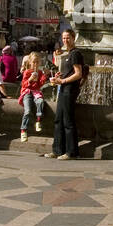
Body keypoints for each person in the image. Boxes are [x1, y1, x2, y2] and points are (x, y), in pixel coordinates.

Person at [45, 28, 84, 160]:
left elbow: (79, 74)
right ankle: (57, 150)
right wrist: (59, 76)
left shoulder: (75, 54)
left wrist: (63, 80)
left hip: (69, 90)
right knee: (58, 120)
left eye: (68, 38)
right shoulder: (69, 54)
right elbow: (70, 72)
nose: (65, 40)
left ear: (73, 38)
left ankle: (71, 152)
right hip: (63, 89)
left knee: (68, 120)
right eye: (64, 38)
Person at [18, 51, 48, 142]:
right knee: (27, 110)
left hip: (36, 92)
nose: (35, 64)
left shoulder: (39, 72)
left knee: (40, 101)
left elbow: (40, 85)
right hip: (27, 92)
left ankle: (38, 120)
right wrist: (30, 80)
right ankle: (23, 130)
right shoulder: (27, 72)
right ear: (30, 62)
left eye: (37, 62)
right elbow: (23, 84)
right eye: (34, 62)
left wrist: (45, 76)